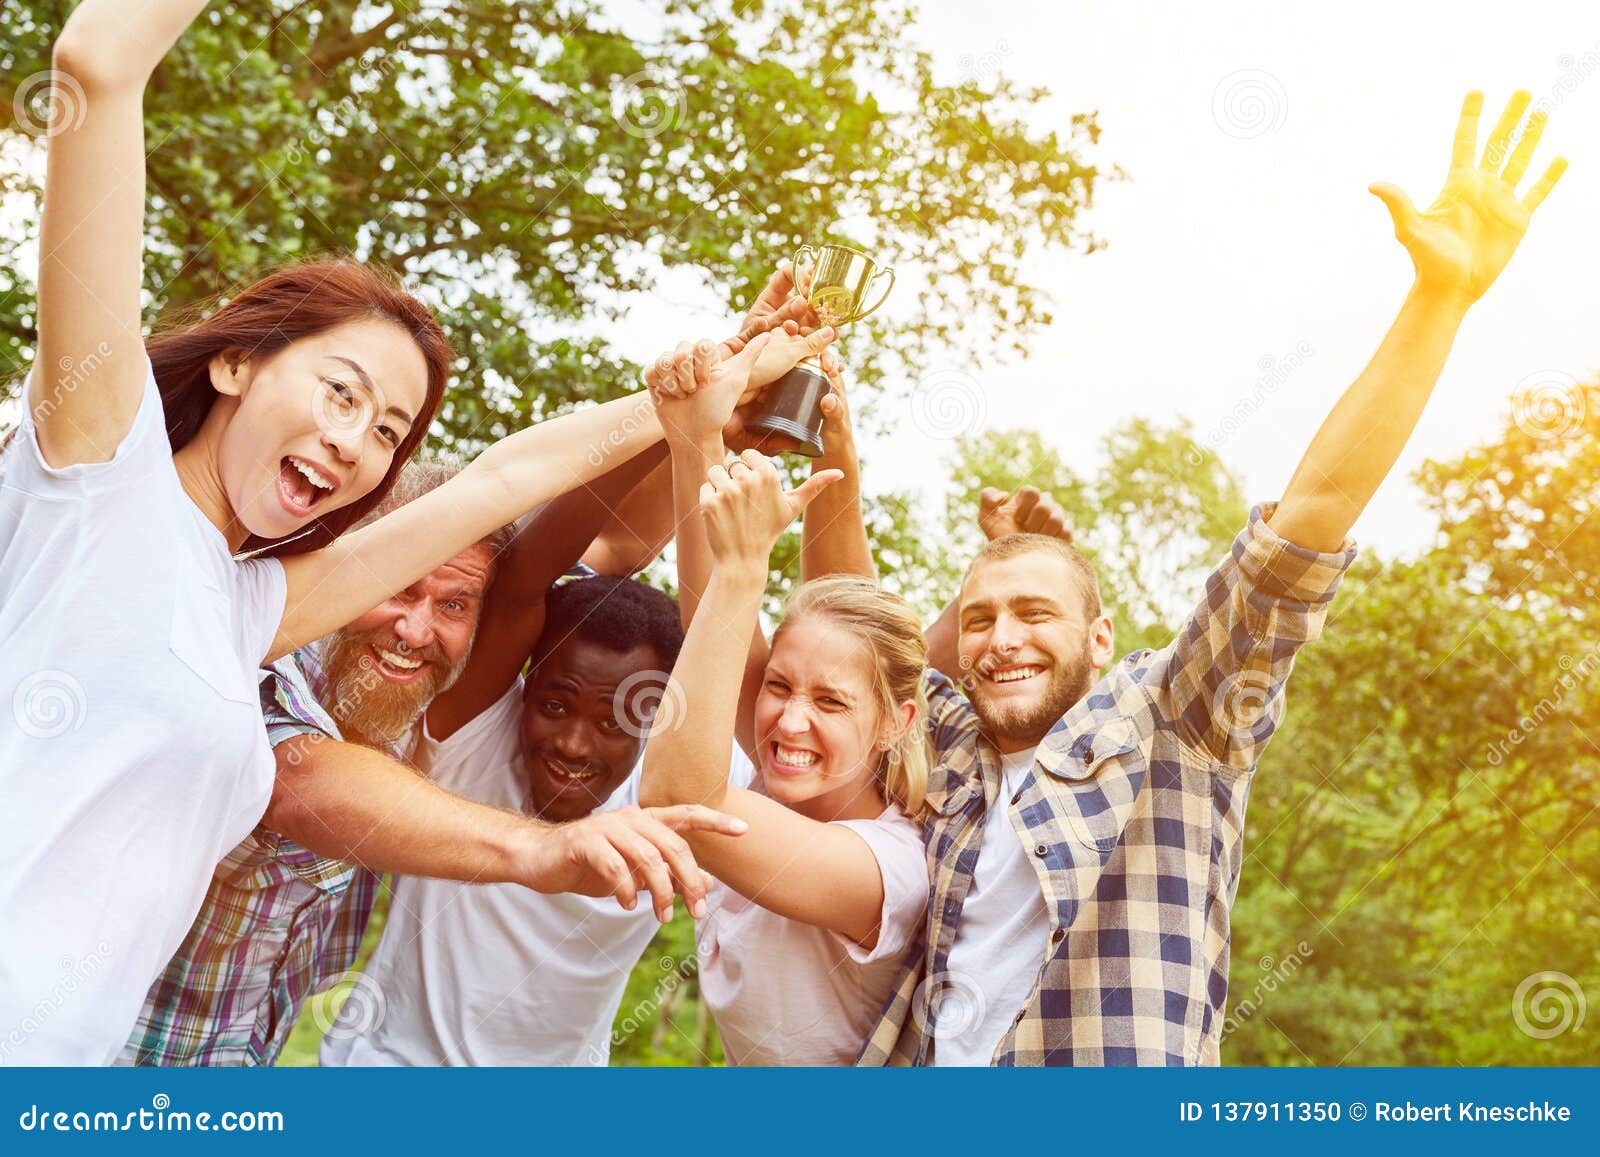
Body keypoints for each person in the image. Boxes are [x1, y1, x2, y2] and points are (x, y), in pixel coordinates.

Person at [2, 0, 830, 1064]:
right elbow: (96, 61)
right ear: (236, 361)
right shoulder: (94, 473)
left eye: (388, 430)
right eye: (341, 394)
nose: (356, 445)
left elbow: (505, 477)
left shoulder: (251, 605)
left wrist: (713, 382)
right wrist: (533, 850)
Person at [836, 90, 1564, 1066]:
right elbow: (848, 641)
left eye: (1034, 612)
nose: (999, 636)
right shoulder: (952, 750)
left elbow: (1300, 528)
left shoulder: (1174, 722)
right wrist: (833, 424)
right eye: (979, 618)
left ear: (1100, 639)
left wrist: (1438, 300)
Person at [119, 453, 705, 1065]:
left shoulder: (426, 688)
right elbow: (297, 782)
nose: (417, 630)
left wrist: (700, 426)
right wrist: (533, 849)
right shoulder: (264, 647)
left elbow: (617, 541)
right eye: (398, 586)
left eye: (455, 604)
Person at [320, 575, 756, 1067]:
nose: (573, 744)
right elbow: (520, 583)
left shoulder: (681, 793)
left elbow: (750, 650)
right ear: (523, 691)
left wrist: (742, 560)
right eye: (554, 706)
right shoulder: (474, 739)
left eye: (612, 723)